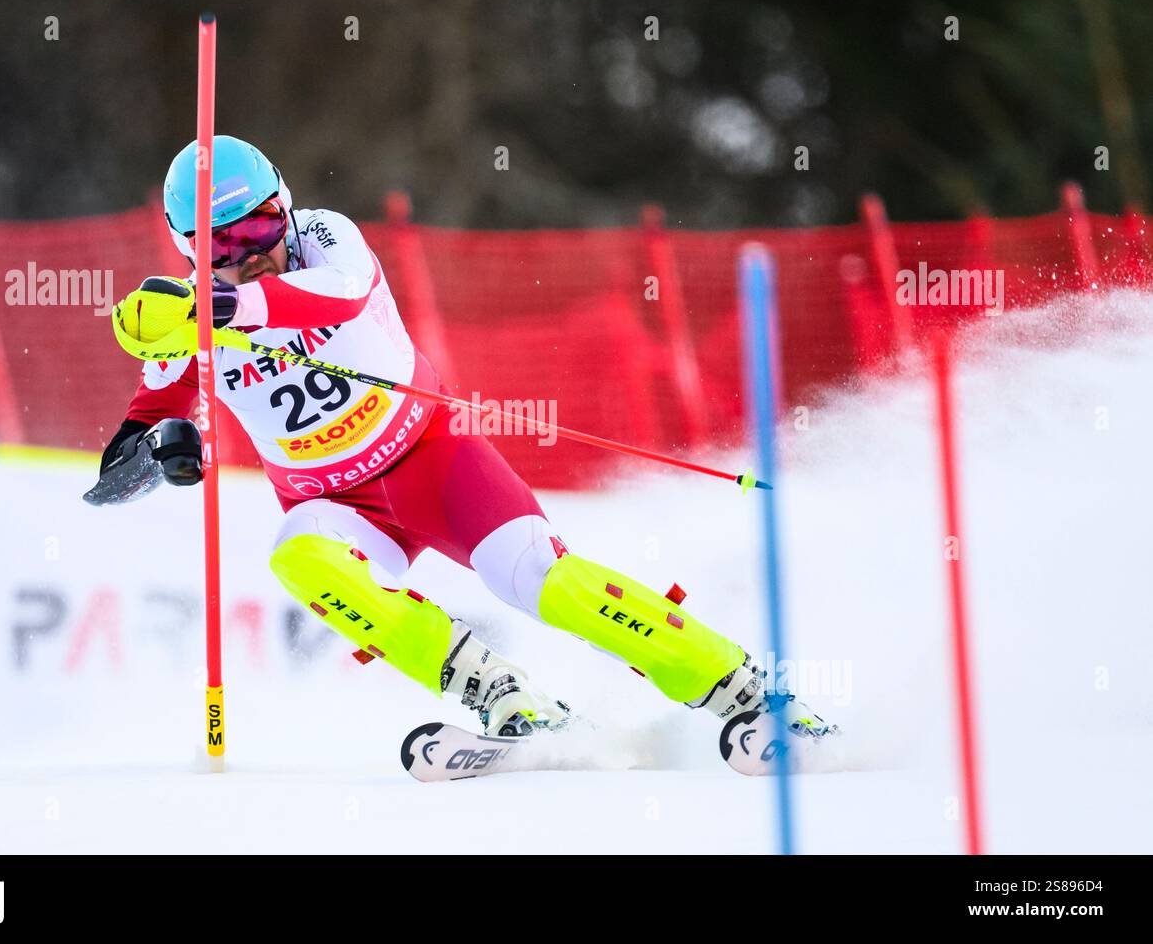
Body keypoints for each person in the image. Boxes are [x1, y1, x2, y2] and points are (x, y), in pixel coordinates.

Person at [94, 135, 836, 773]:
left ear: (285, 208)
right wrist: (146, 453)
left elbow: (343, 295)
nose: (248, 256)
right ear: (189, 249)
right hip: (335, 505)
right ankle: (501, 694)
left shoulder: (323, 239)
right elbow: (151, 413)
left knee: (549, 583)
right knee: (297, 557)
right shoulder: (181, 313)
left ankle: (748, 691)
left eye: (257, 230)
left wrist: (224, 309)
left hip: (434, 460)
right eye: (220, 247)